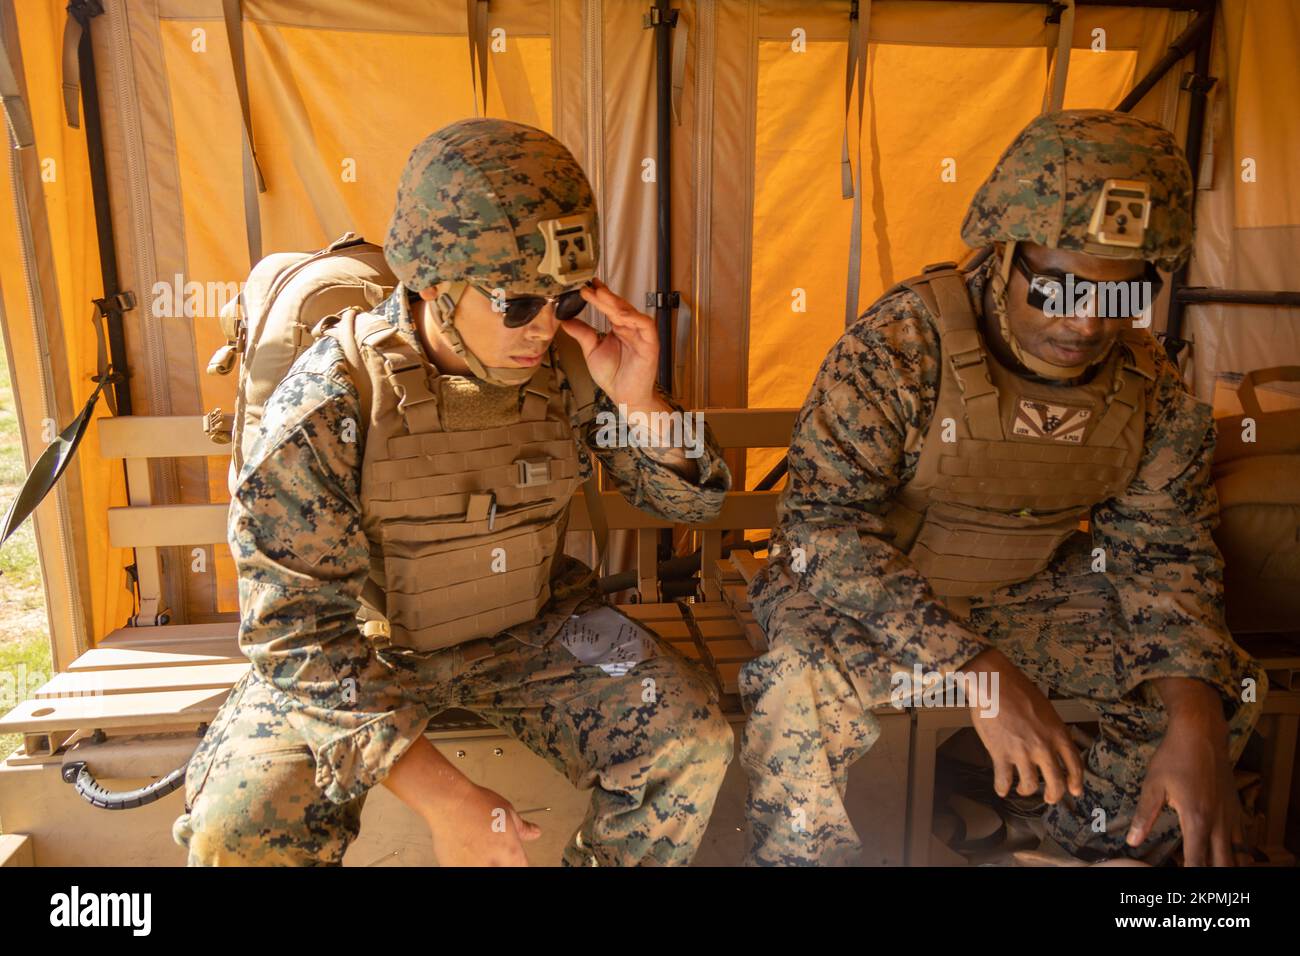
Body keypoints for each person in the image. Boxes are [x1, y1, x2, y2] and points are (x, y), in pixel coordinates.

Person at [172, 118, 734, 866]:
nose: (542, 328)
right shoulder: (331, 398)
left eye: (563, 302)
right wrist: (449, 800)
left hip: (532, 627)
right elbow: (296, 634)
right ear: (434, 287)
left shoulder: (566, 371)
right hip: (368, 650)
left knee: (691, 741)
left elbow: (692, 503)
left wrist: (640, 404)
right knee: (241, 827)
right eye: (515, 303)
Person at [741, 109, 1266, 867]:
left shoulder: (1149, 384)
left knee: (1210, 685)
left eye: (1120, 298)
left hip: (1018, 592)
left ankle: (1091, 844)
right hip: (865, 597)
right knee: (798, 682)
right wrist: (977, 673)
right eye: (1058, 288)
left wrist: (1194, 716)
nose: (1086, 324)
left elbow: (1165, 554)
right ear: (1005, 254)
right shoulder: (902, 346)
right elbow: (822, 532)